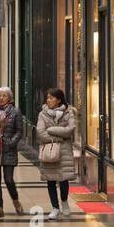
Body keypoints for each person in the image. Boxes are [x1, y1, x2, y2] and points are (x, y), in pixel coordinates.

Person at [36, 87, 77, 219]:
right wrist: (59, 137)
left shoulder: (68, 112)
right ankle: (55, 207)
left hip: (64, 152)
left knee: (64, 180)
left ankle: (64, 202)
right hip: (49, 151)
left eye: (51, 98)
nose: (48, 100)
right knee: (51, 180)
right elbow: (40, 133)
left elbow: (70, 129)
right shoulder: (42, 114)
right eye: (47, 98)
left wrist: (52, 129)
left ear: (59, 100)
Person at [0, 87, 24, 218]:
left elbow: (19, 131)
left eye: (4, 96)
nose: (0, 98)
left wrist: (11, 143)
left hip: (9, 150)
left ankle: (16, 200)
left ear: (10, 98)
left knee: (8, 180)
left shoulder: (15, 112)